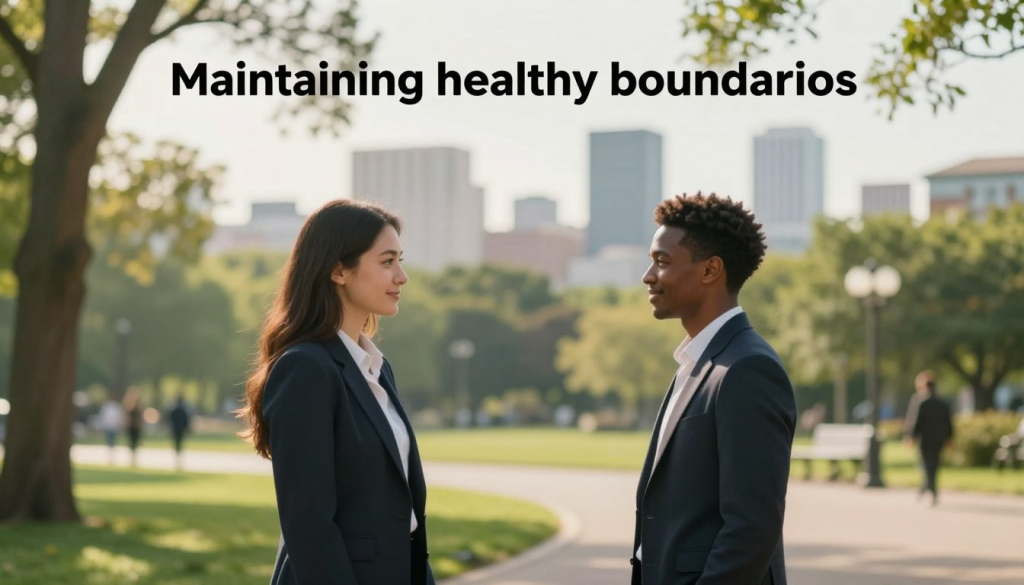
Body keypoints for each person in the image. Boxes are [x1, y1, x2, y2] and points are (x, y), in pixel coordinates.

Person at [239, 199, 434, 585]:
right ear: (338, 270)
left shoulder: (376, 368)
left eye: (400, 260)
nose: (402, 276)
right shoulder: (305, 369)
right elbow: (309, 524)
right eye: (387, 261)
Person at [632, 192, 797, 585]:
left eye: (662, 261)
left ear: (710, 271)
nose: (648, 276)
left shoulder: (747, 369)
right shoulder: (696, 364)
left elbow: (752, 528)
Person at [903, 371, 954, 505]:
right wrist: (949, 437)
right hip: (938, 439)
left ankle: (930, 490)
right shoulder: (942, 403)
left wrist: (911, 436)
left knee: (925, 465)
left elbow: (915, 421)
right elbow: (948, 422)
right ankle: (925, 488)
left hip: (925, 440)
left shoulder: (920, 402)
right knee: (934, 465)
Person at [96, 397, 124, 465]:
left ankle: (112, 454)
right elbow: (103, 417)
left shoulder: (116, 407)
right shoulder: (106, 407)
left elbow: (119, 417)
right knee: (108, 440)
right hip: (108, 426)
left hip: (113, 426)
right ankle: (109, 454)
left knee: (112, 440)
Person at [167, 396, 192, 472]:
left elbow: (170, 419)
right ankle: (178, 456)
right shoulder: (183, 410)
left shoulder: (174, 410)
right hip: (180, 429)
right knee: (179, 443)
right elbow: (186, 420)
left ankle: (178, 456)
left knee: (177, 443)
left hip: (176, 429)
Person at [123, 389, 144, 468]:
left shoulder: (139, 407)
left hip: (136, 427)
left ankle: (134, 457)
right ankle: (132, 458)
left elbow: (141, 417)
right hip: (131, 427)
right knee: (131, 442)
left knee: (135, 442)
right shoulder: (128, 407)